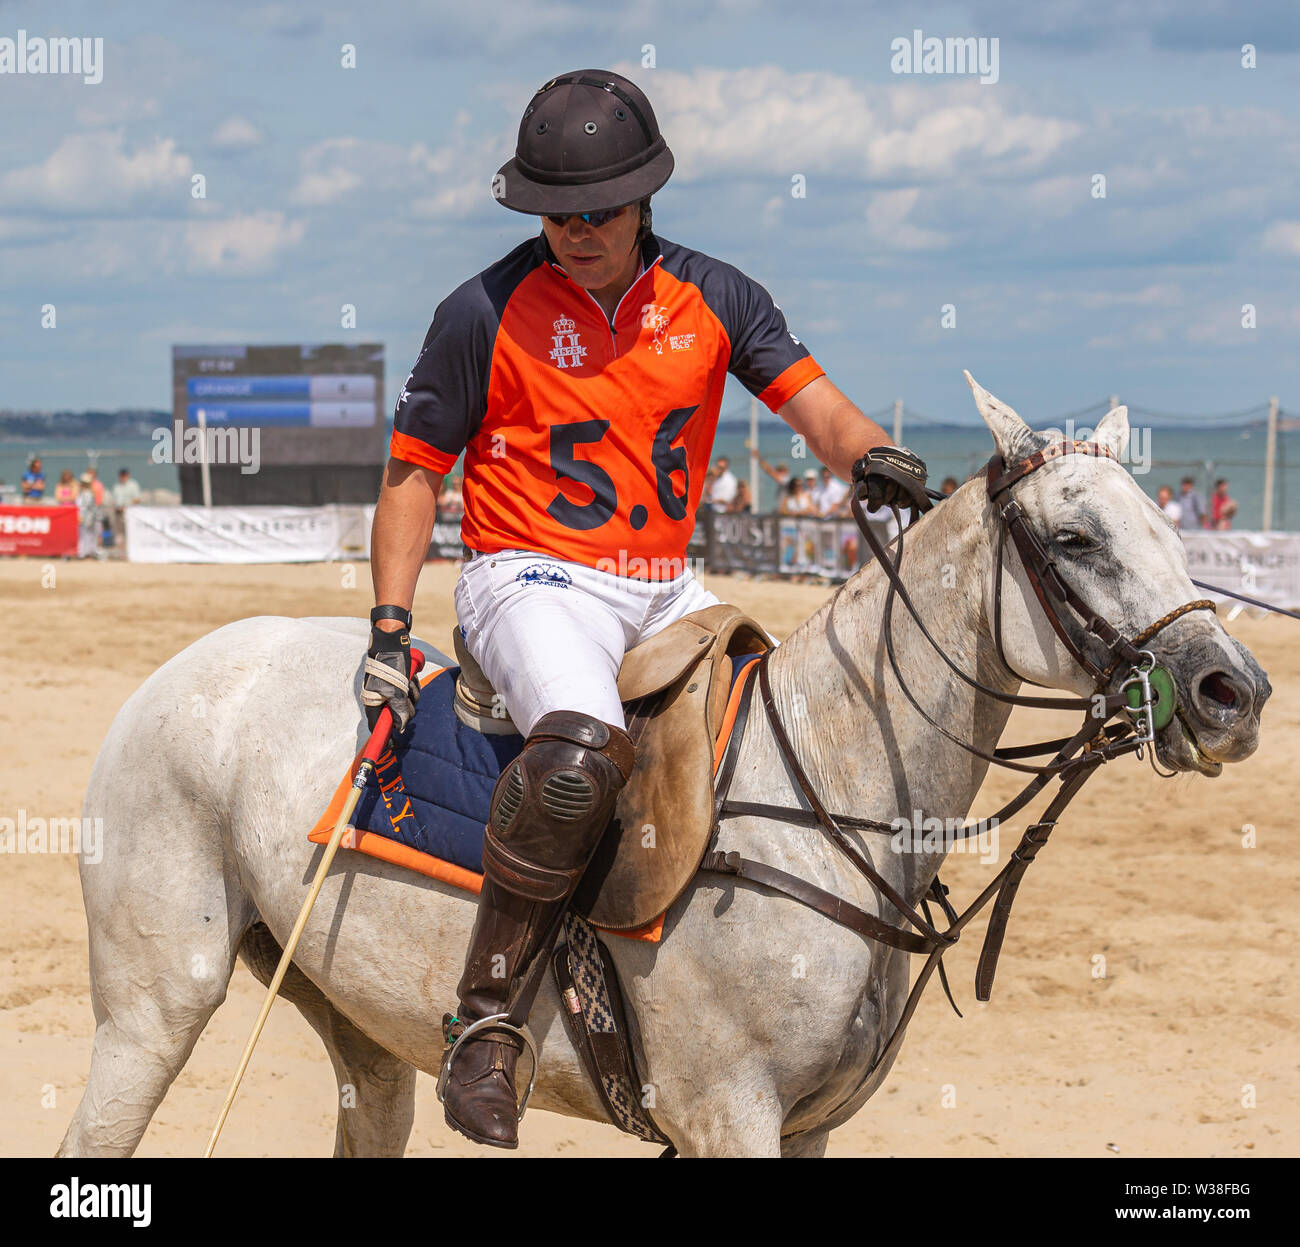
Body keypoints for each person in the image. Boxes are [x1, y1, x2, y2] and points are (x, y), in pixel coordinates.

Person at [362, 68, 930, 1150]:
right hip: (527, 573)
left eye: (599, 212)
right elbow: (412, 472)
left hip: (664, 583)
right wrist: (391, 629)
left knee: (785, 728)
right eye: (556, 213)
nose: (577, 232)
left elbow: (815, 407)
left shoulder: (716, 296)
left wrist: (878, 460)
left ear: (643, 200)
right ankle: (487, 1019)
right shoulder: (480, 311)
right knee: (580, 750)